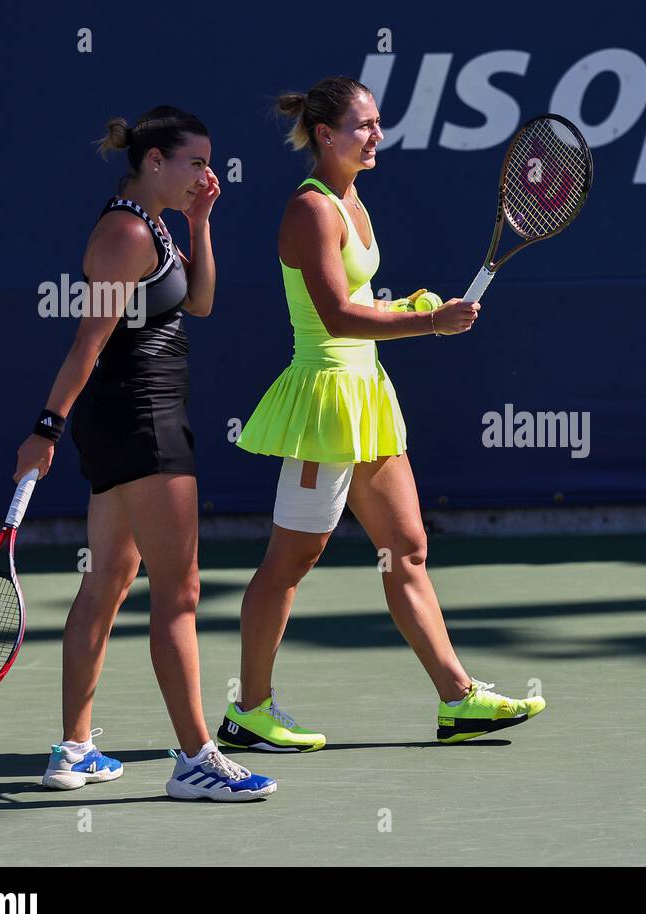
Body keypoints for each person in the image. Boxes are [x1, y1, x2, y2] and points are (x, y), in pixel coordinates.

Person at [221, 77, 546, 752]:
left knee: (408, 549)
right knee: (291, 560)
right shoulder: (311, 210)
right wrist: (428, 323)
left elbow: (358, 302)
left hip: (367, 396)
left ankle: (458, 701)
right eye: (363, 125)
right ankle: (249, 710)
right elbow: (335, 316)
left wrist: (402, 310)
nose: (377, 135)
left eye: (378, 123)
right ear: (324, 134)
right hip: (323, 403)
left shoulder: (353, 199)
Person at [15, 106, 276, 800]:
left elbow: (203, 302)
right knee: (179, 593)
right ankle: (196, 759)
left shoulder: (155, 223)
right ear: (154, 161)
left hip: (134, 422)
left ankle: (73, 751)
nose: (206, 174)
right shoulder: (125, 233)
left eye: (208, 163)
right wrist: (45, 428)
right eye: (194, 163)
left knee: (106, 585)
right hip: (143, 422)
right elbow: (87, 342)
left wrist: (202, 223)